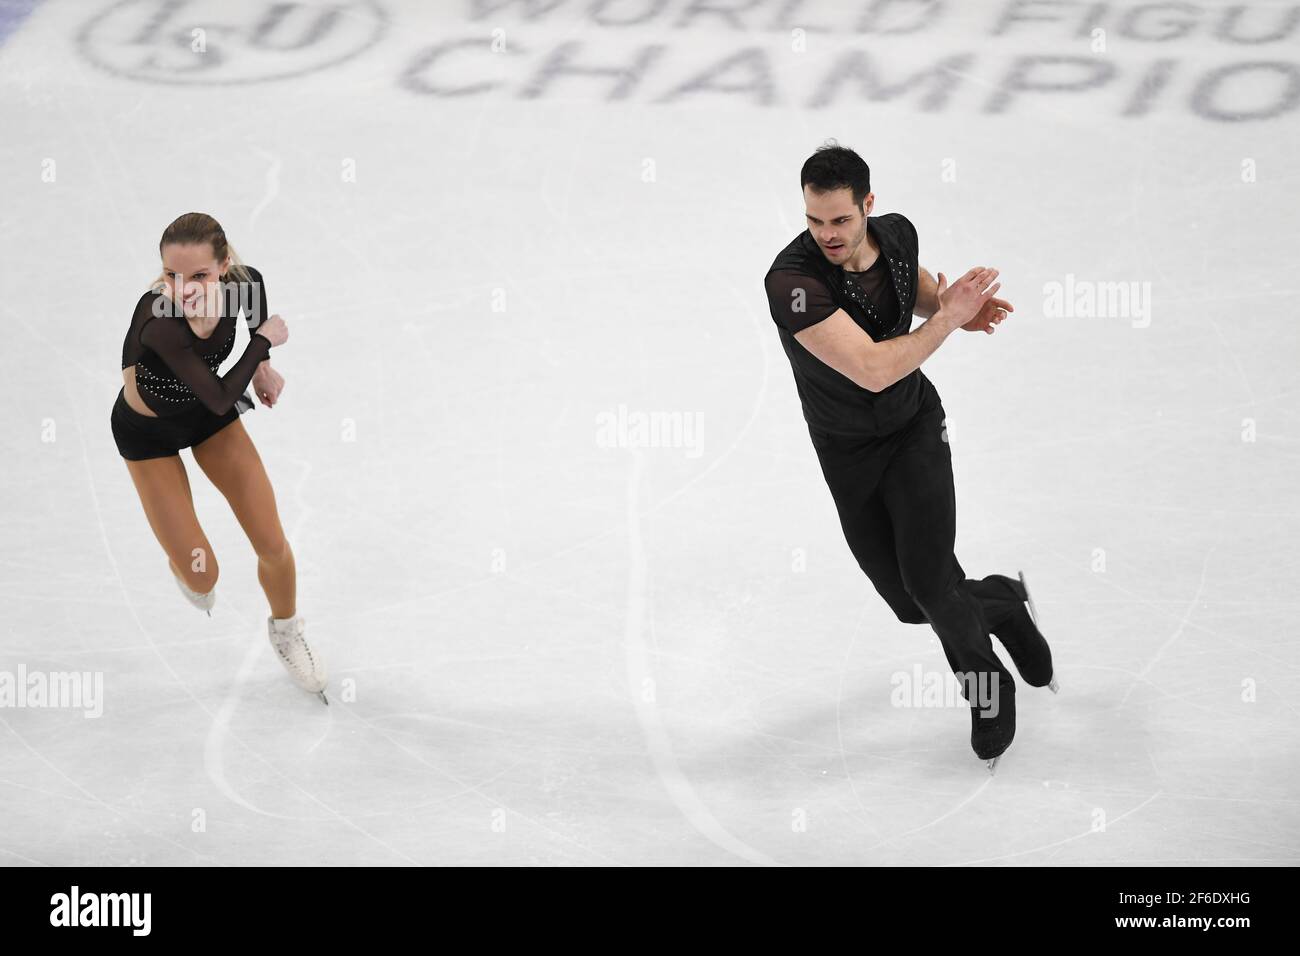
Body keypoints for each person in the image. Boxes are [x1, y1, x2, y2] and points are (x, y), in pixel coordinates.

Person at [762, 142, 1056, 770]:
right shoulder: (792, 285)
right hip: (848, 453)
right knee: (907, 601)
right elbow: (871, 369)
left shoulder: (897, 235)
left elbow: (910, 287)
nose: (828, 235)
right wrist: (946, 322)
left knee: (931, 582)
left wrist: (956, 312)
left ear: (867, 205)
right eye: (815, 220)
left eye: (840, 219)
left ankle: (987, 689)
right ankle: (1002, 601)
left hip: (914, 430)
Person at [112, 212, 327, 704]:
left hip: (207, 421)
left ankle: (287, 630)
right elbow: (215, 393)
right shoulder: (159, 320)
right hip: (150, 436)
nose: (183, 288)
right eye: (171, 275)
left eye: (200, 275)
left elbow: (256, 292)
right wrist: (263, 343)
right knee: (202, 575)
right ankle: (183, 563)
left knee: (272, 540)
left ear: (225, 266)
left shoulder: (241, 285)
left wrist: (264, 367)